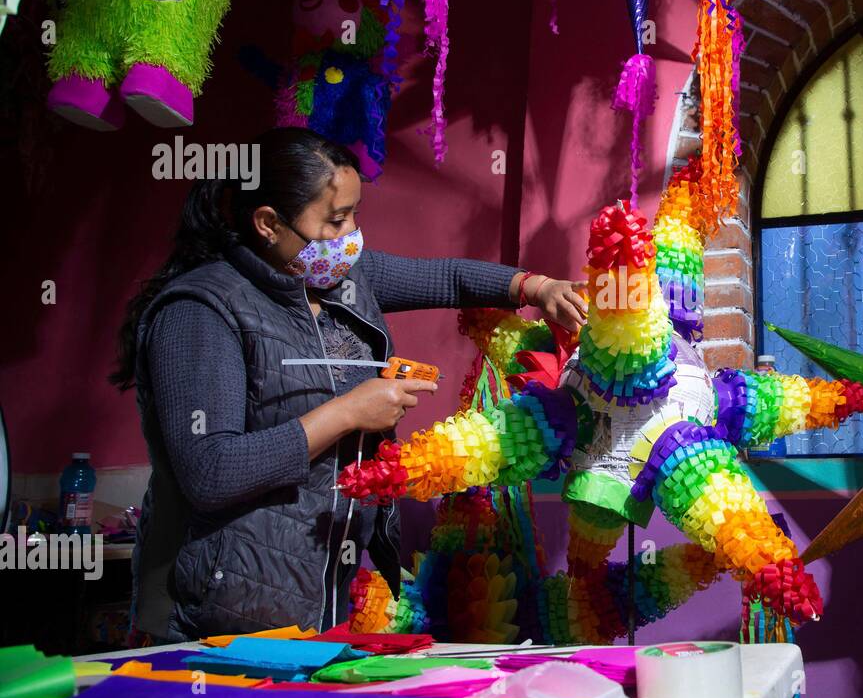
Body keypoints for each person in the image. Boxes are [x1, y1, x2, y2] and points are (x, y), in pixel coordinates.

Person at [110, 127, 587, 643]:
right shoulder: (201, 312)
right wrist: (349, 413)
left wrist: (539, 288)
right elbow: (211, 472)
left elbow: (447, 278)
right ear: (268, 223)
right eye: (336, 219)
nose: (352, 234)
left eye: (355, 213)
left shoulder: (341, 280)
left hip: (316, 604)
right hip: (208, 617)